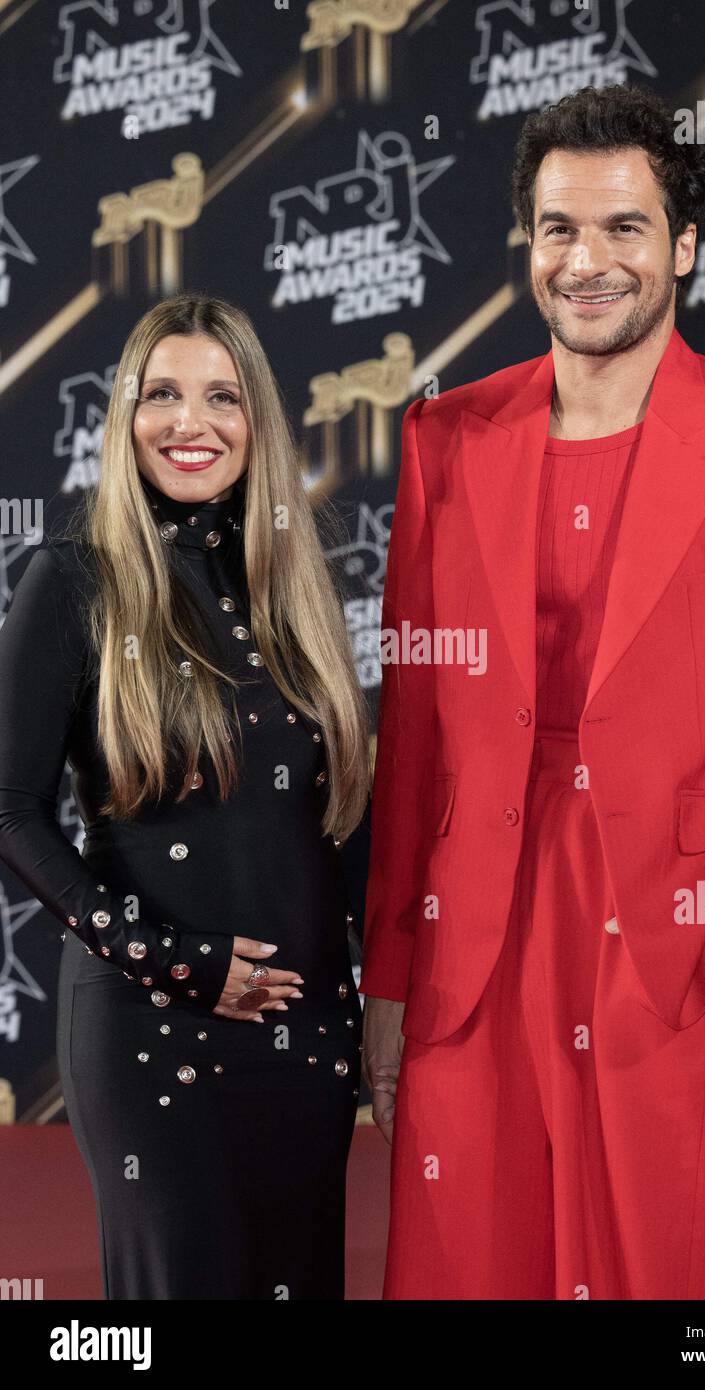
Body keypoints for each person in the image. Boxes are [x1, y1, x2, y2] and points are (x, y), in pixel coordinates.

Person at [360, 84, 705, 1299]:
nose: (585, 263)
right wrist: (387, 973)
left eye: (622, 229)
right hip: (471, 949)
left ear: (682, 247)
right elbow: (415, 730)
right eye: (557, 230)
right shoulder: (444, 438)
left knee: (668, 1274)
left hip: (667, 946)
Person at [0, 292, 370, 1300]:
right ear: (123, 415)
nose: (190, 423)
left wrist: (376, 1013)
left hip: (306, 1040)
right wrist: (176, 961)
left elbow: (343, 827)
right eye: (160, 393)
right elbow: (8, 808)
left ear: (257, 422)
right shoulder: (71, 580)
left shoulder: (292, 600)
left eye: (222, 396)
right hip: (150, 1025)